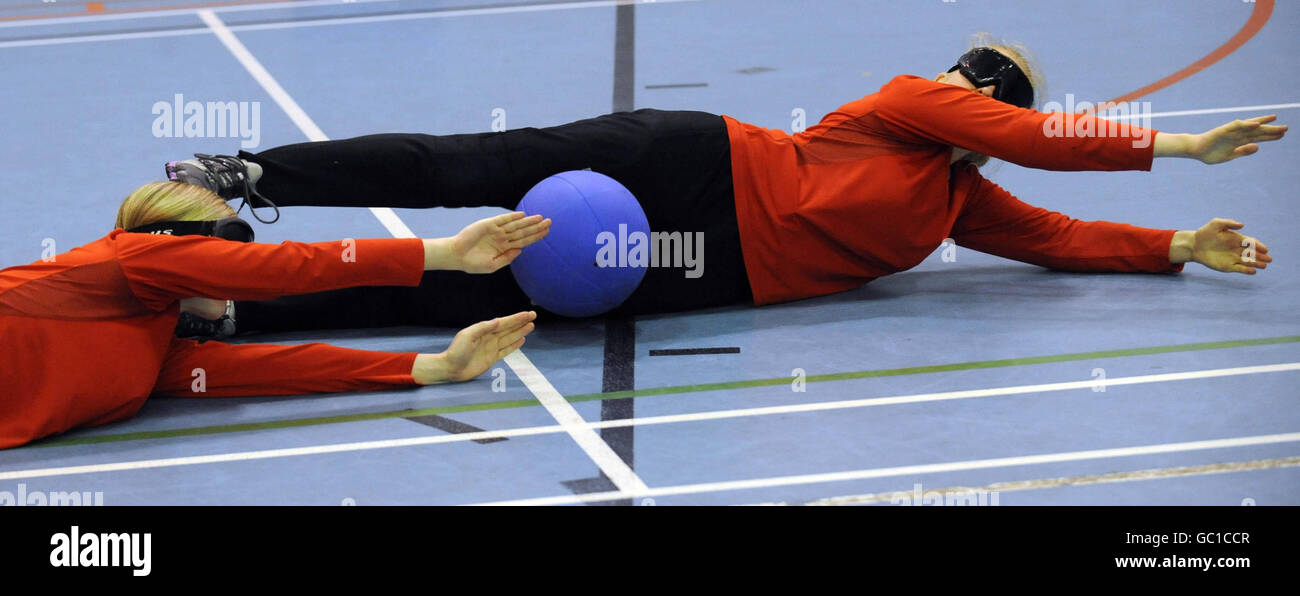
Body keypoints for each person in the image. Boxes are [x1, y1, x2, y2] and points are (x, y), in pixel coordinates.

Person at [163, 39, 1282, 336]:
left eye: (980, 83)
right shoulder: (910, 101)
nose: (963, 84)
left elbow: (1054, 233)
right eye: (978, 81)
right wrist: (1179, 147)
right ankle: (247, 173)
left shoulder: (958, 198)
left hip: (714, 268)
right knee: (470, 165)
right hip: (693, 159)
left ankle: (234, 303)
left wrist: (1175, 243)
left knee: (475, 296)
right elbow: (1043, 146)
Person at [0, 181, 550, 449]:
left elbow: (277, 367)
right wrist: (445, 254)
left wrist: (435, 368)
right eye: (227, 246)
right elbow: (292, 267)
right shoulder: (132, 256)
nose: (235, 262)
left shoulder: (154, 355)